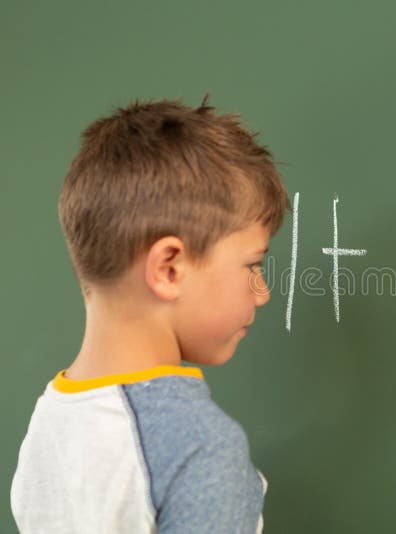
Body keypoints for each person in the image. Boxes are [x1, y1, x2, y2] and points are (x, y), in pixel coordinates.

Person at [10, 93, 291, 533]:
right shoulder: (199, 447)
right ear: (169, 268)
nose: (262, 293)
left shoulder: (48, 424)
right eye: (252, 265)